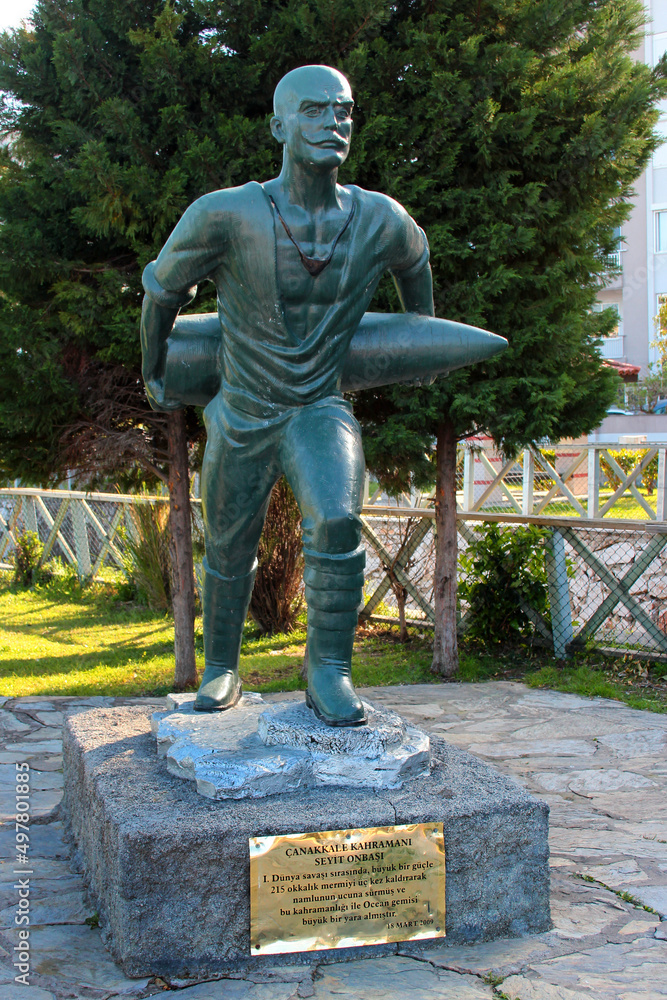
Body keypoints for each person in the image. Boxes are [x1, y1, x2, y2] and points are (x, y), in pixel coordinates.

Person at [140, 64, 434, 726]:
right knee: (228, 544)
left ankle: (328, 671)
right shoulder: (226, 213)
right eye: (313, 110)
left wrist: (421, 341)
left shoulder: (379, 219)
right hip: (243, 409)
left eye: (344, 112)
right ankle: (220, 669)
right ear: (278, 125)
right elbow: (161, 291)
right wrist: (155, 370)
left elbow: (415, 266)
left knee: (335, 518)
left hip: (318, 408)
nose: (333, 123)